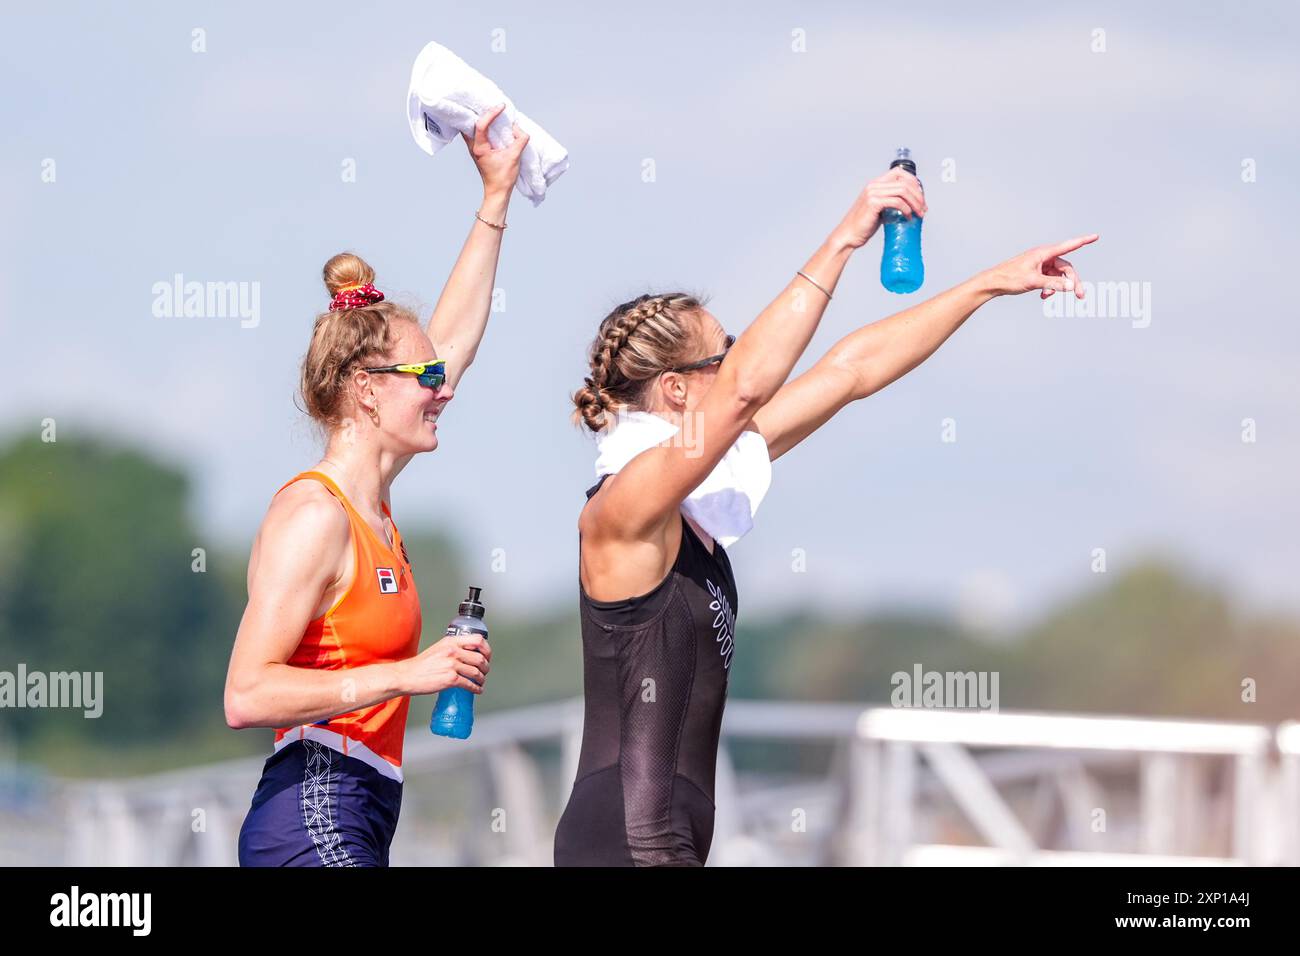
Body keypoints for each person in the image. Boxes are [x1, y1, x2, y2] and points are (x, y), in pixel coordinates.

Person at [555, 164, 1097, 866]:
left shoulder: (702, 484)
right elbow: (748, 391)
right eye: (726, 352)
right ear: (677, 390)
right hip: (623, 842)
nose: (742, 361)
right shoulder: (621, 508)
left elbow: (850, 371)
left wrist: (987, 284)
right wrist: (847, 235)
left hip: (674, 839)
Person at [225, 106, 527, 867]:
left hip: (359, 812)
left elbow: (452, 342)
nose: (444, 389)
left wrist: (495, 199)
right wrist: (410, 674)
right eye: (423, 379)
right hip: (314, 809)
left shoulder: (373, 503)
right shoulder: (313, 515)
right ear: (365, 390)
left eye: (438, 376)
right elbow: (247, 695)